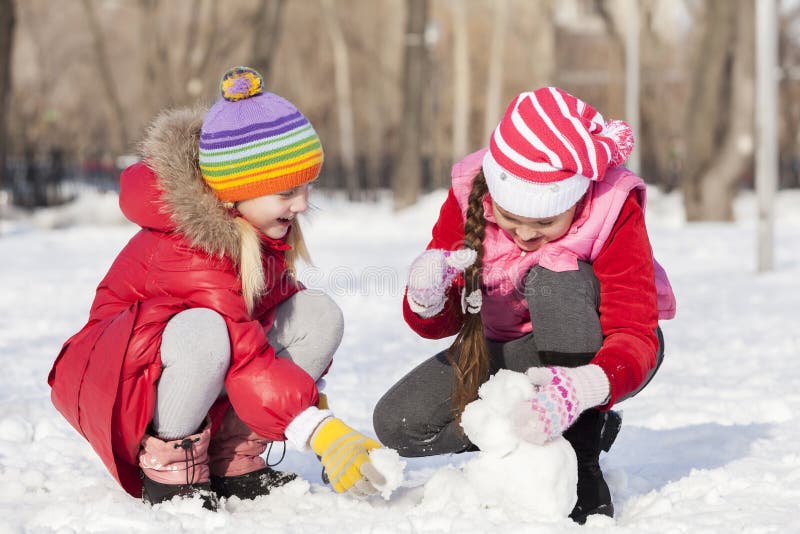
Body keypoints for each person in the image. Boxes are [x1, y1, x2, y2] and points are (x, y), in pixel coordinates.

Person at [49, 67, 386, 510]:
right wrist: (315, 426)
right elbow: (246, 355)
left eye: (306, 188)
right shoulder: (195, 248)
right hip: (118, 385)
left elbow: (270, 315)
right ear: (232, 194)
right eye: (286, 192)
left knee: (315, 311)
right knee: (208, 330)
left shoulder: (255, 231)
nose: (302, 204)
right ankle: (170, 463)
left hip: (180, 365)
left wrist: (306, 392)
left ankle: (233, 457)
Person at [373, 87, 676, 524]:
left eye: (545, 223)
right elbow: (443, 325)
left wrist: (586, 388)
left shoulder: (613, 206)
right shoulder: (469, 193)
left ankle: (581, 455)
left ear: (576, 200)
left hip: (604, 350)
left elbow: (635, 331)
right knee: (399, 423)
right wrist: (427, 297)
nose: (525, 235)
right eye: (511, 219)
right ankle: (526, 430)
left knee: (552, 277)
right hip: (507, 347)